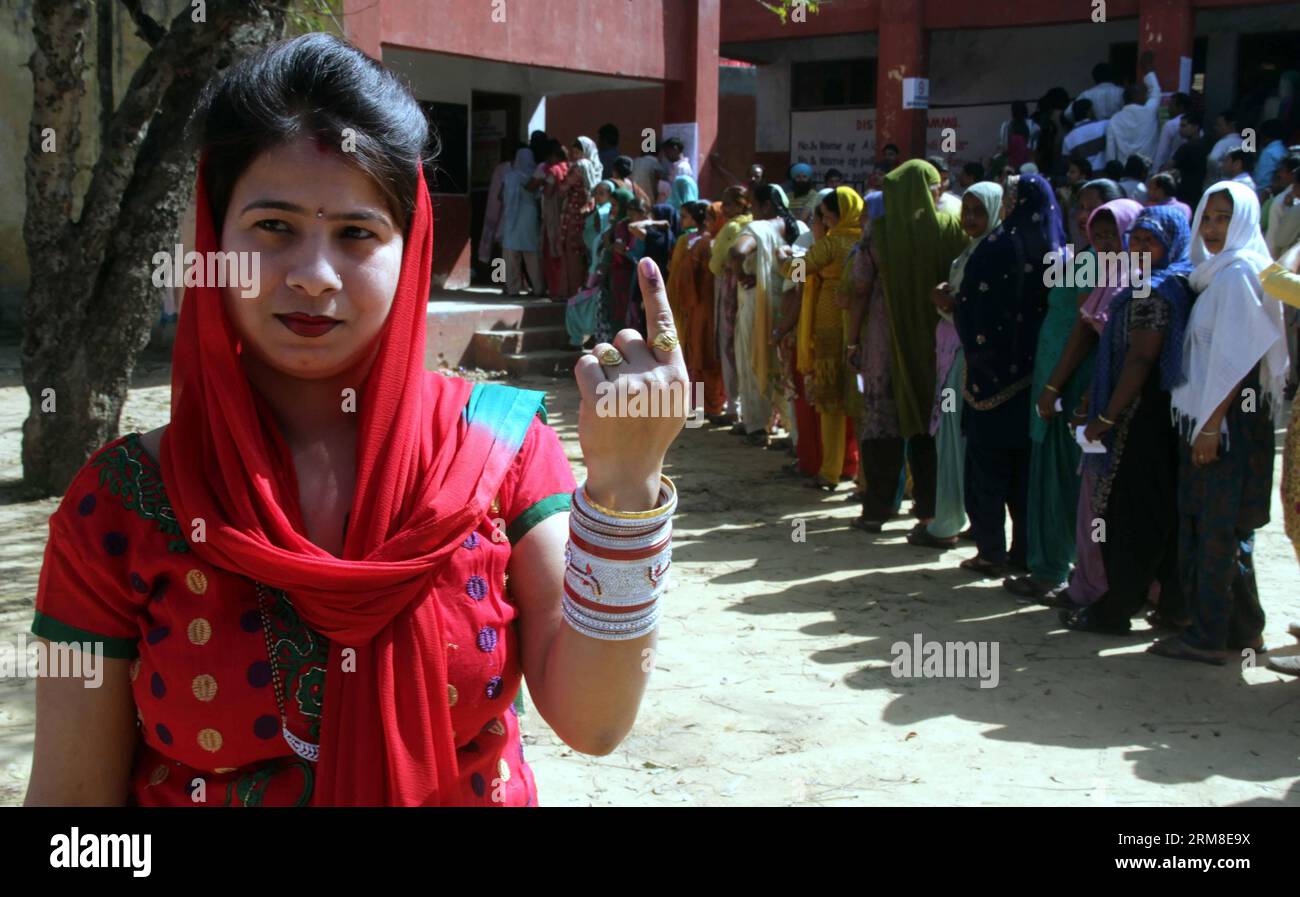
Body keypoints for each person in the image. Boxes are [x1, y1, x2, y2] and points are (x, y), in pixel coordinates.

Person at [25, 33, 686, 808]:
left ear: (411, 249)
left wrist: (626, 484)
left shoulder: (497, 451)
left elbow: (595, 721)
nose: (312, 275)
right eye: (273, 227)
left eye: (356, 233)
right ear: (212, 238)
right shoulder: (123, 506)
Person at [1148, 182, 1287, 663]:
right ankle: (1243, 630)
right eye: (1207, 217)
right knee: (1223, 529)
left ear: (1245, 220)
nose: (1211, 228)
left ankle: (1207, 635)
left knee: (1213, 530)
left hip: (1226, 425)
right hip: (1217, 421)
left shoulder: (1235, 277)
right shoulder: (1215, 274)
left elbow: (1237, 361)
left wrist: (1210, 426)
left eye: (1224, 218)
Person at [1062, 205, 1194, 635]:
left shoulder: (1154, 292)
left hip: (1142, 419)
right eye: (1134, 240)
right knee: (1159, 513)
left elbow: (1139, 359)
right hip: (1154, 415)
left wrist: (1105, 416)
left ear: (1169, 244)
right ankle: (1171, 605)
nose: (1138, 248)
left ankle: (1115, 610)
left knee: (1131, 517)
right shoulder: (1165, 283)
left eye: (1149, 241)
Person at [952, 174, 1061, 576]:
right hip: (1040, 377)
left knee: (986, 467)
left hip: (991, 378)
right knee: (1024, 469)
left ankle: (990, 552)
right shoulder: (1056, 248)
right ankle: (1023, 550)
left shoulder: (996, 247)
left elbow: (971, 307)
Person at [1038, 187, 1142, 608]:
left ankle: (1104, 590)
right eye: (1097, 234)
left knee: (1108, 499)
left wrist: (1096, 405)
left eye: (1111, 235)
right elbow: (1084, 329)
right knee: (1093, 497)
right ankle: (1092, 583)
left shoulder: (1141, 280)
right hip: (1096, 396)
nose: (1102, 242)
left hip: (1119, 404)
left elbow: (1133, 357)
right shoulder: (1098, 270)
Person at [855, 159, 968, 533]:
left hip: (883, 343)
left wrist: (852, 340)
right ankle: (929, 511)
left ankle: (877, 510)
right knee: (928, 420)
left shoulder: (879, 231)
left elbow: (858, 286)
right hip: (936, 342)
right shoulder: (950, 229)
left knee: (882, 422)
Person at [908, 182, 1003, 549]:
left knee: (953, 438)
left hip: (964, 362)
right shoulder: (970, 253)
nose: (971, 219)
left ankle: (947, 522)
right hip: (950, 356)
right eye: (967, 211)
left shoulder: (989, 257)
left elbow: (973, 310)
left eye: (979, 211)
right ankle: (956, 516)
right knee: (951, 438)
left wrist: (945, 301)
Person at [779, 186, 864, 489]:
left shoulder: (831, 245)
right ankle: (857, 470)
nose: (824, 223)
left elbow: (796, 272)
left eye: (826, 217)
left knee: (830, 404)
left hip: (829, 325)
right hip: (860, 328)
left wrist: (782, 259)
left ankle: (830, 470)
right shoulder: (865, 241)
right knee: (859, 402)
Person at [730, 184, 808, 446]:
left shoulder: (759, 229)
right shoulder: (801, 229)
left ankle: (757, 425)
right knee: (785, 365)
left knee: (753, 361)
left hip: (758, 304)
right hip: (789, 303)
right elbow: (801, 270)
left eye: (753, 204)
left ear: (765, 205)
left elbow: (736, 252)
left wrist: (742, 276)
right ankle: (791, 430)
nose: (751, 210)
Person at [666, 200, 724, 417]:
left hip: (704, 307)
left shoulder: (705, 244)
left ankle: (709, 405)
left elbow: (684, 277)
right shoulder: (799, 241)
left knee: (702, 354)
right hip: (718, 306)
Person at [708, 186, 753, 427]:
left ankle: (735, 407)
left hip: (731, 290)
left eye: (729, 204)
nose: (725, 209)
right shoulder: (757, 225)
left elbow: (718, 262)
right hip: (752, 293)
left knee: (730, 348)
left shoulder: (733, 228)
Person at [559, 136, 603, 299]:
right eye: (574, 151)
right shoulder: (596, 166)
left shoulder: (579, 166)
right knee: (587, 252)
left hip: (574, 213)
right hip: (589, 213)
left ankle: (572, 291)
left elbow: (563, 187)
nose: (575, 154)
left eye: (578, 151)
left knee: (573, 252)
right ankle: (586, 289)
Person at [501, 147, 544, 296]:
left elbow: (501, 196)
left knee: (511, 256)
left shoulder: (510, 176)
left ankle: (512, 289)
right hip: (529, 217)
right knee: (532, 255)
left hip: (512, 217)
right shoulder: (536, 176)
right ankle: (539, 288)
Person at [1105, 55, 1161, 165]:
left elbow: (1110, 152)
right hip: (1147, 170)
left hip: (1124, 172)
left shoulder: (1115, 119)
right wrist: (1148, 68)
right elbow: (1155, 89)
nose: (1146, 96)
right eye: (1143, 94)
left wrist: (1111, 172)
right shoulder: (1149, 111)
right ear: (1136, 97)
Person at [537, 140, 570, 299]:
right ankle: (563, 289)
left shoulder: (554, 170)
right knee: (562, 253)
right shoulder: (568, 169)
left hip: (552, 215)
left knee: (550, 254)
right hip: (565, 216)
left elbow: (548, 192)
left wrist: (542, 186)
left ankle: (555, 290)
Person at [477, 141, 516, 269]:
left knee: (503, 251)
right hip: (509, 217)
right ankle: (502, 280)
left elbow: (496, 197)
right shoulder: (526, 171)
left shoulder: (503, 169)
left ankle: (502, 280)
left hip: (504, 216)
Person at [1170, 111, 1208, 209]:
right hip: (1199, 192)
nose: (1180, 129)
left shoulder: (1187, 147)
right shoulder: (1207, 144)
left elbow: (1168, 167)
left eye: (1184, 126)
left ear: (1195, 127)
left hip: (1184, 193)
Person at [1152, 92, 1191, 172]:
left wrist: (1154, 172)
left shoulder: (1170, 125)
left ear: (1181, 107)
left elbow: (1161, 153)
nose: (1168, 109)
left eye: (1171, 105)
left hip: (1171, 169)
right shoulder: (1196, 125)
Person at [1206, 109, 1243, 181]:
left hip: (1221, 180)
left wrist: (1222, 169)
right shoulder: (1244, 142)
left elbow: (1213, 159)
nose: (1215, 128)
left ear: (1231, 125)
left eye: (1219, 125)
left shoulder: (1223, 143)